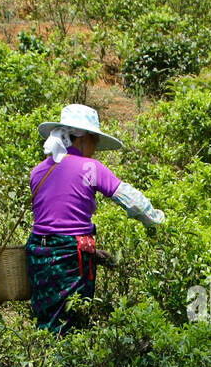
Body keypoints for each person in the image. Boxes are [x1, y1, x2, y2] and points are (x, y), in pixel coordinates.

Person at [26, 104, 165, 337]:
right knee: (70, 324)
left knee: (46, 320)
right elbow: (131, 200)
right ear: (81, 139)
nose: (95, 148)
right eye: (94, 141)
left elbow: (54, 224)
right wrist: (159, 223)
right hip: (71, 256)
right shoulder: (90, 168)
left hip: (36, 254)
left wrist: (94, 252)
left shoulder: (38, 171)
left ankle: (44, 366)